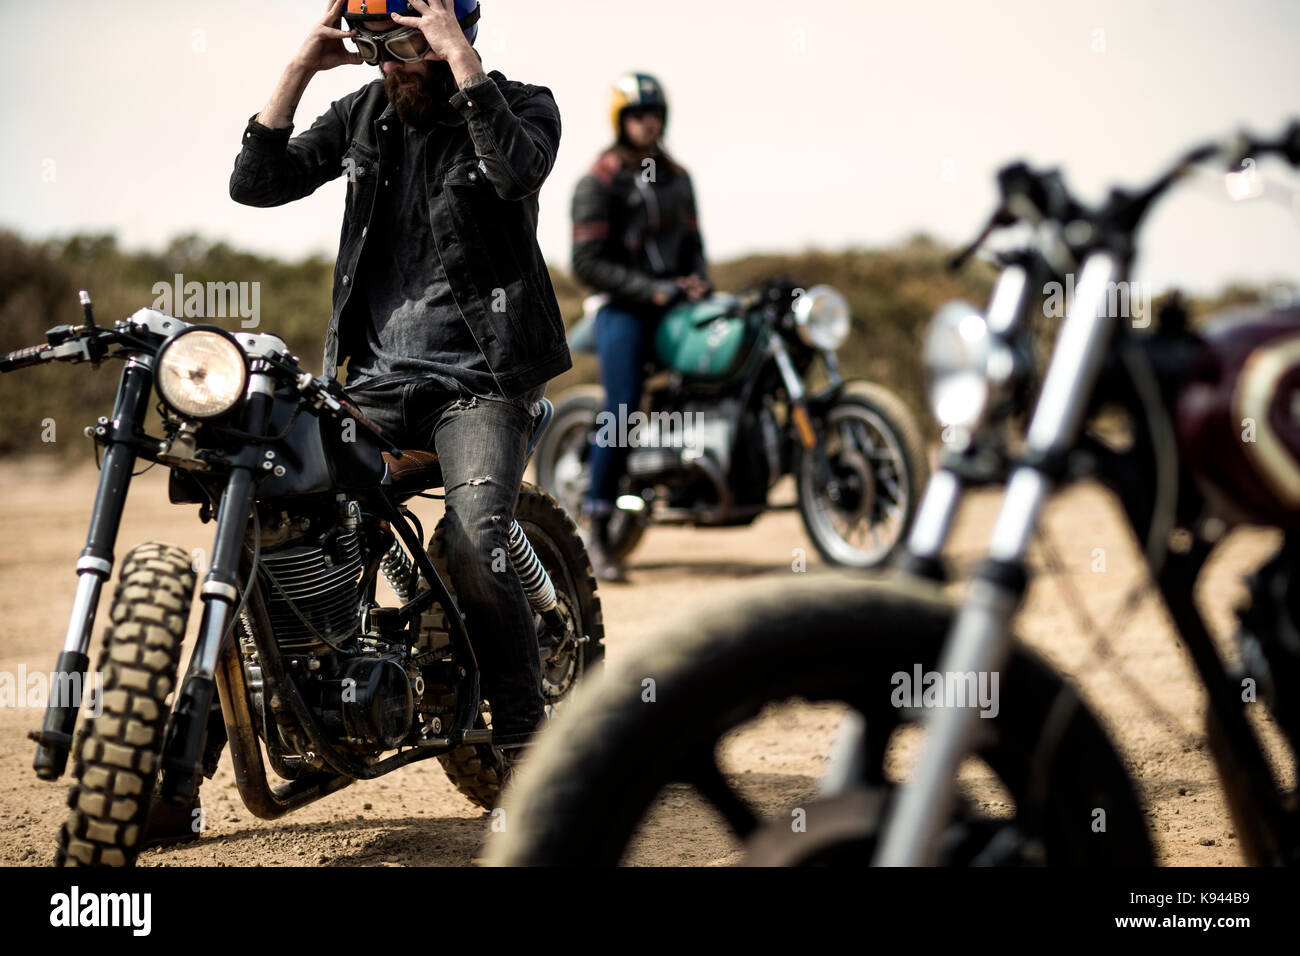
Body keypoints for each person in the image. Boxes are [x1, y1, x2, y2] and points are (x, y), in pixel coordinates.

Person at [229, 0, 568, 755]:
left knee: (477, 541)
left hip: (483, 381)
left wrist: (457, 59)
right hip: (374, 385)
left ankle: (523, 746)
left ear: (453, 33)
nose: (387, 60)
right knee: (272, 494)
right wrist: (298, 69)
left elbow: (515, 171)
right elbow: (254, 183)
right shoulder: (360, 114)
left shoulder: (518, 104)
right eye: (372, 42)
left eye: (404, 41)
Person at [571, 72, 711, 582]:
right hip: (621, 309)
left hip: (675, 305)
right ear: (620, 121)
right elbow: (585, 262)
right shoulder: (601, 179)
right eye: (636, 115)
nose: (646, 123)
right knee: (623, 408)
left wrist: (701, 283)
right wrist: (649, 289)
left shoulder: (678, 176)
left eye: (653, 114)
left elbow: (695, 245)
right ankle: (600, 527)